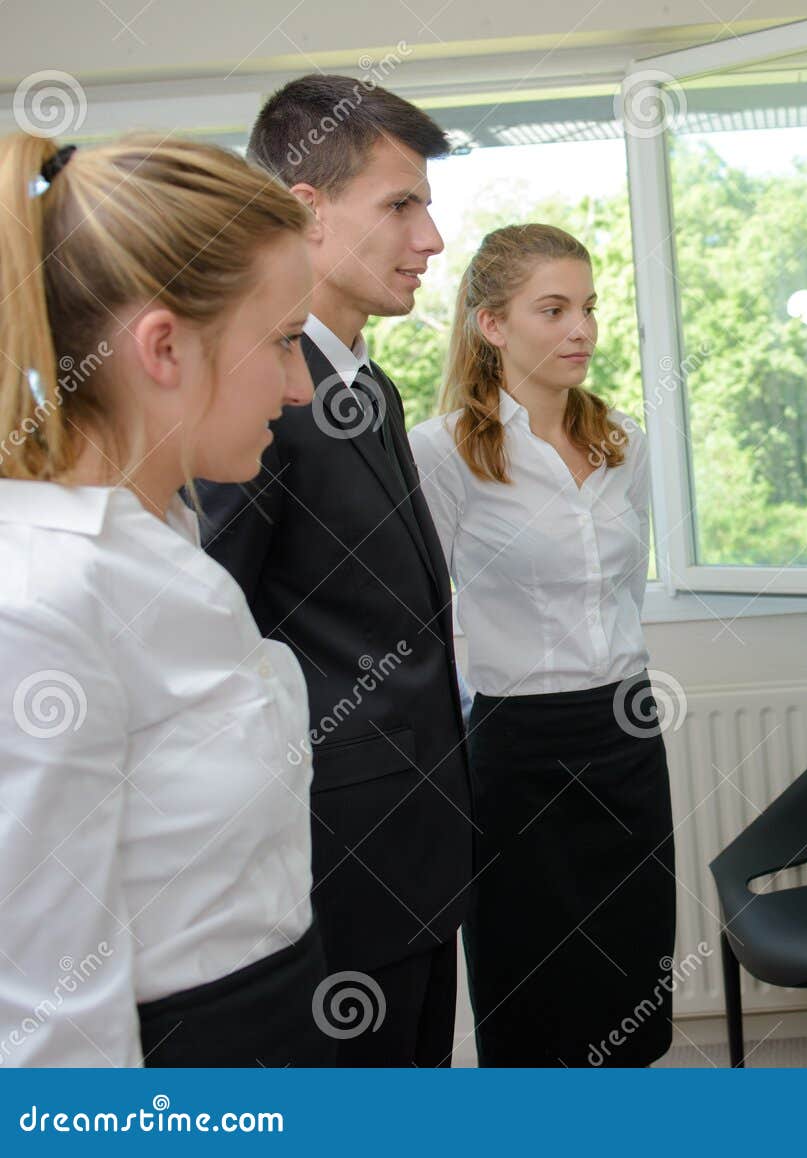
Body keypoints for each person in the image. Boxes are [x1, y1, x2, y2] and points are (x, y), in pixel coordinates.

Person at [0, 133, 332, 1066]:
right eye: (280, 343)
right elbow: (43, 1028)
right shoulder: (40, 597)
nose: (302, 388)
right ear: (162, 347)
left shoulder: (163, 540)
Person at [190, 76, 472, 1067]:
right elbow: (212, 639)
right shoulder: (254, 400)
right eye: (401, 205)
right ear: (306, 213)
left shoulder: (372, 386)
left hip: (423, 854)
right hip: (331, 874)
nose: (431, 238)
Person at [409, 224, 675, 1067]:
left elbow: (623, 599)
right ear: (492, 324)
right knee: (532, 995)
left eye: (588, 308)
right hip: (514, 749)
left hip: (627, 733)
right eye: (553, 309)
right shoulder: (443, 450)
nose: (581, 330)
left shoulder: (623, 441)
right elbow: (422, 614)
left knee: (630, 982)